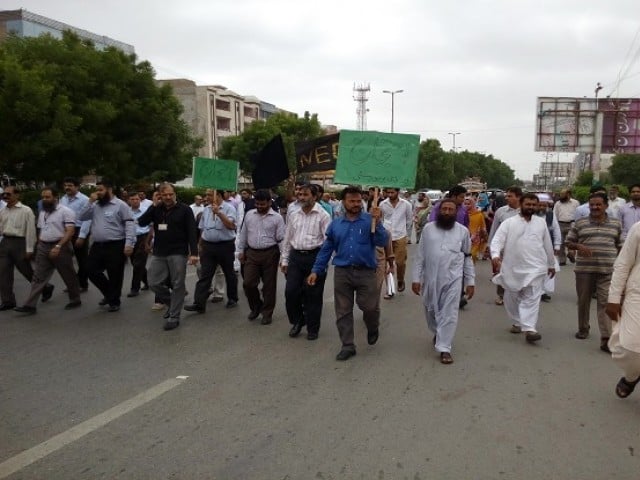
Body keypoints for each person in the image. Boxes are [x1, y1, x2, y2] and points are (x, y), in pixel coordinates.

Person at [308, 186, 389, 361]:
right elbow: (326, 249)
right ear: (343, 202)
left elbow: (382, 241)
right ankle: (347, 345)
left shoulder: (370, 221)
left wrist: (379, 222)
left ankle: (373, 327)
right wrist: (316, 270)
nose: (356, 204)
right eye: (352, 201)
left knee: (369, 307)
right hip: (343, 272)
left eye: (359, 201)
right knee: (343, 311)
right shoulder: (336, 224)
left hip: (366, 272)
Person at [412, 198, 475, 364]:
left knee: (450, 313)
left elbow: (468, 257)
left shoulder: (463, 231)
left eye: (450, 210)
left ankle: (444, 348)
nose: (447, 212)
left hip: (453, 279)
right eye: (444, 209)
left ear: (456, 212)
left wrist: (470, 281)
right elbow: (420, 256)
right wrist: (415, 278)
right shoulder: (428, 229)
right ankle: (438, 332)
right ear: (439, 211)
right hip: (430, 279)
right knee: (430, 310)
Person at [490, 193, 556, 344]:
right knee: (511, 297)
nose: (531, 207)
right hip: (512, 267)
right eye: (528, 204)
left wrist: (551, 264)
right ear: (521, 204)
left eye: (534, 205)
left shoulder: (541, 223)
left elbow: (547, 244)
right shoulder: (509, 222)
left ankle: (529, 328)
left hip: (536, 267)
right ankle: (517, 321)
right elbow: (498, 240)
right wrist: (495, 255)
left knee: (532, 298)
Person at [566, 193, 622, 352]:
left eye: (598, 205)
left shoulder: (616, 224)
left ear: (606, 206)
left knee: (605, 303)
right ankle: (583, 328)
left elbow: (621, 245)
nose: (595, 207)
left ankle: (606, 338)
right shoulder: (580, 223)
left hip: (607, 270)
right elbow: (568, 242)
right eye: (592, 205)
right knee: (583, 301)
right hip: (584, 270)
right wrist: (578, 246)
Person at [138, 183, 199, 330]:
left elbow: (192, 231)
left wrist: (194, 253)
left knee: (178, 283)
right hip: (159, 252)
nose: (168, 197)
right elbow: (142, 222)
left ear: (175, 194)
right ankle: (173, 303)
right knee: (153, 282)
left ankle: (174, 316)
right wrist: (153, 205)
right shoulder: (156, 209)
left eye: (170, 194)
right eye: (164, 195)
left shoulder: (185, 209)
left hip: (178, 252)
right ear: (159, 195)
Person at [14, 187, 81, 313]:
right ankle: (30, 305)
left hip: (60, 246)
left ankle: (75, 299)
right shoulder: (43, 212)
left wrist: (58, 246)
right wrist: (39, 243)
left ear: (56, 197)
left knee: (68, 274)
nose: (44, 199)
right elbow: (41, 228)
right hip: (43, 246)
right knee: (38, 276)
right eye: (43, 197)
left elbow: (70, 231)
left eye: (47, 197)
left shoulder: (66, 211)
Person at [280, 184, 331, 340]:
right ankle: (297, 321)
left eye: (305, 195)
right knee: (291, 292)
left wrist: (321, 265)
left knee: (313, 295)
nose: (301, 197)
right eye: (300, 194)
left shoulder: (323, 216)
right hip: (296, 257)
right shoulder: (294, 214)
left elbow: (328, 242)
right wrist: (284, 259)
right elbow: (288, 238)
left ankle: (312, 328)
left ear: (314, 197)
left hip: (314, 258)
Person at [78, 179, 136, 312]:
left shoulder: (120, 205)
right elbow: (81, 217)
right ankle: (110, 294)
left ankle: (114, 301)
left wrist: (129, 244)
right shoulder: (95, 205)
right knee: (90, 270)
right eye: (97, 190)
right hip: (98, 245)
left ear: (109, 190)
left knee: (115, 274)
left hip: (116, 244)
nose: (98, 193)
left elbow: (129, 224)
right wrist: (90, 202)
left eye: (101, 190)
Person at [184, 189, 238, 314]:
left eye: (209, 195)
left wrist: (219, 213)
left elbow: (231, 226)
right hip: (208, 246)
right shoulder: (206, 210)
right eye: (206, 194)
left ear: (217, 195)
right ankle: (199, 303)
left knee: (229, 273)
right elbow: (203, 229)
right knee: (205, 274)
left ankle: (232, 298)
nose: (206, 197)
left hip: (225, 246)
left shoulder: (229, 208)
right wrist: (199, 246)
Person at [237, 189, 286, 325]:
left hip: (270, 253)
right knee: (248, 283)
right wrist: (240, 251)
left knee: (269, 286)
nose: (259, 207)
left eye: (262, 204)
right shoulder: (249, 215)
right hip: (251, 253)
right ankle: (256, 306)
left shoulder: (277, 218)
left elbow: (281, 239)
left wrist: (284, 258)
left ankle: (267, 313)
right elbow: (243, 234)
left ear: (269, 203)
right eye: (257, 204)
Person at [605, 221, 640, 398]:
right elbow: (623, 263)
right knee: (629, 348)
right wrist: (613, 298)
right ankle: (633, 375)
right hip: (637, 294)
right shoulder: (638, 228)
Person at [0, 186, 38, 310]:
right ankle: (8, 301)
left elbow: (31, 231)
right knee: (3, 272)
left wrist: (29, 248)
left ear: (17, 195)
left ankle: (45, 287)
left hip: (20, 243)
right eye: (4, 194)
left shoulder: (26, 210)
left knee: (26, 271)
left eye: (8, 194)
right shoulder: (3, 211)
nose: (5, 197)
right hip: (5, 242)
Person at [488, 186, 522, 305]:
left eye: (510, 196)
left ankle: (518, 295)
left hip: (521, 249)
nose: (506, 198)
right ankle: (501, 295)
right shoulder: (501, 211)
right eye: (506, 196)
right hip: (503, 249)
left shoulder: (525, 211)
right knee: (501, 271)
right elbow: (494, 230)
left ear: (518, 197)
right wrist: (491, 247)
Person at [379, 187, 413, 296]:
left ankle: (400, 280)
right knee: (386, 264)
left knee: (400, 262)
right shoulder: (383, 204)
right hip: (386, 235)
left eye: (392, 192)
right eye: (388, 192)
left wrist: (407, 235)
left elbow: (409, 220)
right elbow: (380, 219)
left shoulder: (406, 204)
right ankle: (390, 289)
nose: (390, 194)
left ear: (398, 192)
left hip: (400, 235)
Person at [60, 177, 91, 292]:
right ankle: (73, 283)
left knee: (82, 260)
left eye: (70, 185)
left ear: (77, 187)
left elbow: (88, 219)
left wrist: (82, 236)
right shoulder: (63, 199)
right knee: (66, 260)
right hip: (66, 230)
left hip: (79, 230)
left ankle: (83, 284)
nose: (67, 187)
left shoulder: (84, 200)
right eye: (66, 185)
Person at [536, 199, 561, 302]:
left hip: (548, 247)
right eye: (540, 205)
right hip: (534, 248)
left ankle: (543, 291)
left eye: (544, 206)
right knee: (537, 270)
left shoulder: (551, 215)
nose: (542, 207)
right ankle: (537, 291)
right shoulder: (531, 216)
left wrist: (557, 246)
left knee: (550, 269)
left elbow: (556, 229)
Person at [126, 192, 150, 297]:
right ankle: (148, 281)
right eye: (132, 199)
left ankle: (134, 288)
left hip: (143, 238)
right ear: (129, 201)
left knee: (138, 264)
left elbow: (152, 227)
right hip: (131, 239)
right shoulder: (126, 212)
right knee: (135, 263)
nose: (135, 201)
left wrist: (149, 241)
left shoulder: (146, 211)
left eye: (137, 199)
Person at [553, 188, 580, 265]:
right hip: (560, 224)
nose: (561, 196)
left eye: (563, 194)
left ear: (568, 194)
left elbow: (578, 213)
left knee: (570, 241)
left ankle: (571, 254)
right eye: (560, 194)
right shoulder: (558, 203)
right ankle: (562, 260)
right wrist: (555, 225)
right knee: (561, 243)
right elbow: (555, 214)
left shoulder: (575, 203)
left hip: (572, 224)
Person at [464, 196, 487, 263]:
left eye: (469, 204)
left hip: (475, 239)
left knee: (473, 255)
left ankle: (471, 269)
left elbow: (483, 226)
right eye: (465, 204)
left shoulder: (479, 214)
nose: (467, 206)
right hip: (464, 237)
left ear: (473, 204)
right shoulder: (461, 214)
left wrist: (484, 236)